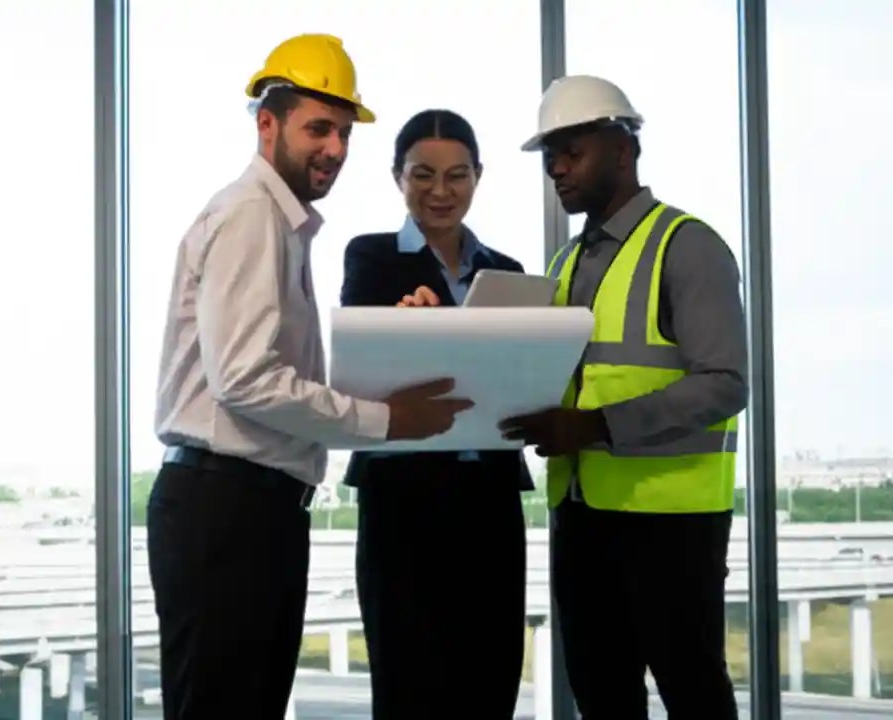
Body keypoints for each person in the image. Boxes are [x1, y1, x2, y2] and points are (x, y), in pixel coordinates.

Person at [148, 34, 472, 719]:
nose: (334, 149)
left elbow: (261, 375)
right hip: (226, 507)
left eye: (344, 133)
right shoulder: (250, 216)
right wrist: (387, 421)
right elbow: (246, 381)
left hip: (250, 507)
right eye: (317, 128)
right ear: (267, 124)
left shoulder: (279, 223)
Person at [500, 74, 747, 719]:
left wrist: (594, 427)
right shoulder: (561, 266)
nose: (556, 168)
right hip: (580, 516)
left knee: (691, 690)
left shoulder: (687, 246)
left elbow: (726, 383)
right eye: (549, 156)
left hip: (671, 525)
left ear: (622, 147)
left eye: (571, 150)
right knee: (601, 692)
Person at [339, 109, 532, 718]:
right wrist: (404, 321)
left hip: (490, 500)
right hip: (403, 501)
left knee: (491, 677)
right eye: (422, 174)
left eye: (458, 175)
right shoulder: (371, 258)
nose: (441, 192)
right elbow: (361, 354)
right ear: (397, 176)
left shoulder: (508, 273)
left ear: (479, 176)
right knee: (406, 683)